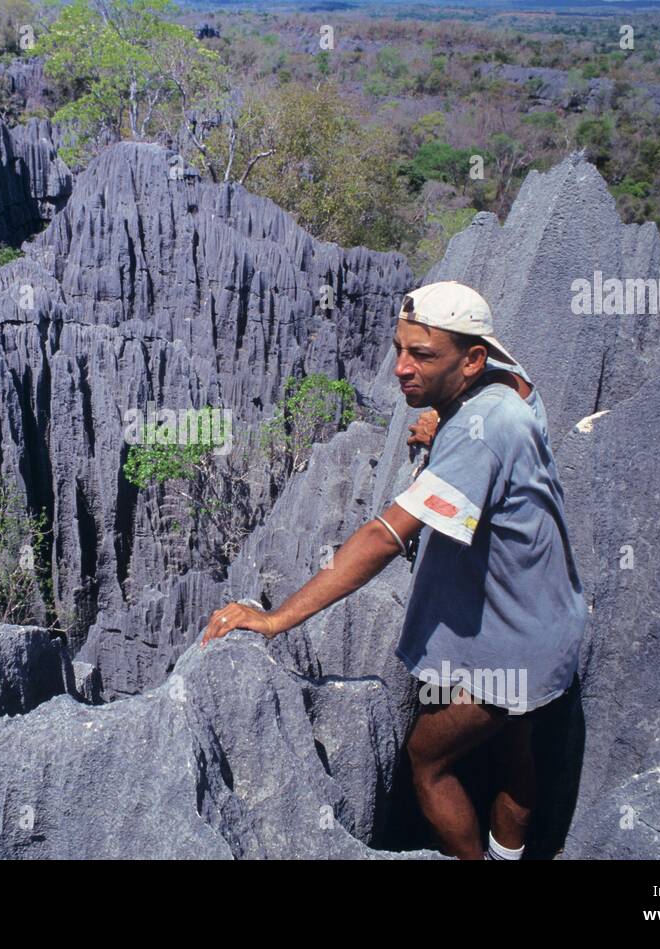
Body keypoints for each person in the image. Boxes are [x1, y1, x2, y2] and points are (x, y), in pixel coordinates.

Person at [199, 280, 588, 861]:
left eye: (422, 357)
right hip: (549, 618)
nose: (401, 368)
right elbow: (490, 418)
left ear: (471, 358)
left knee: (427, 762)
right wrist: (448, 414)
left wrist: (277, 620)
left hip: (514, 642)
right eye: (399, 349)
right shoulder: (511, 383)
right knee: (517, 744)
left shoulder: (482, 438)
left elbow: (384, 538)